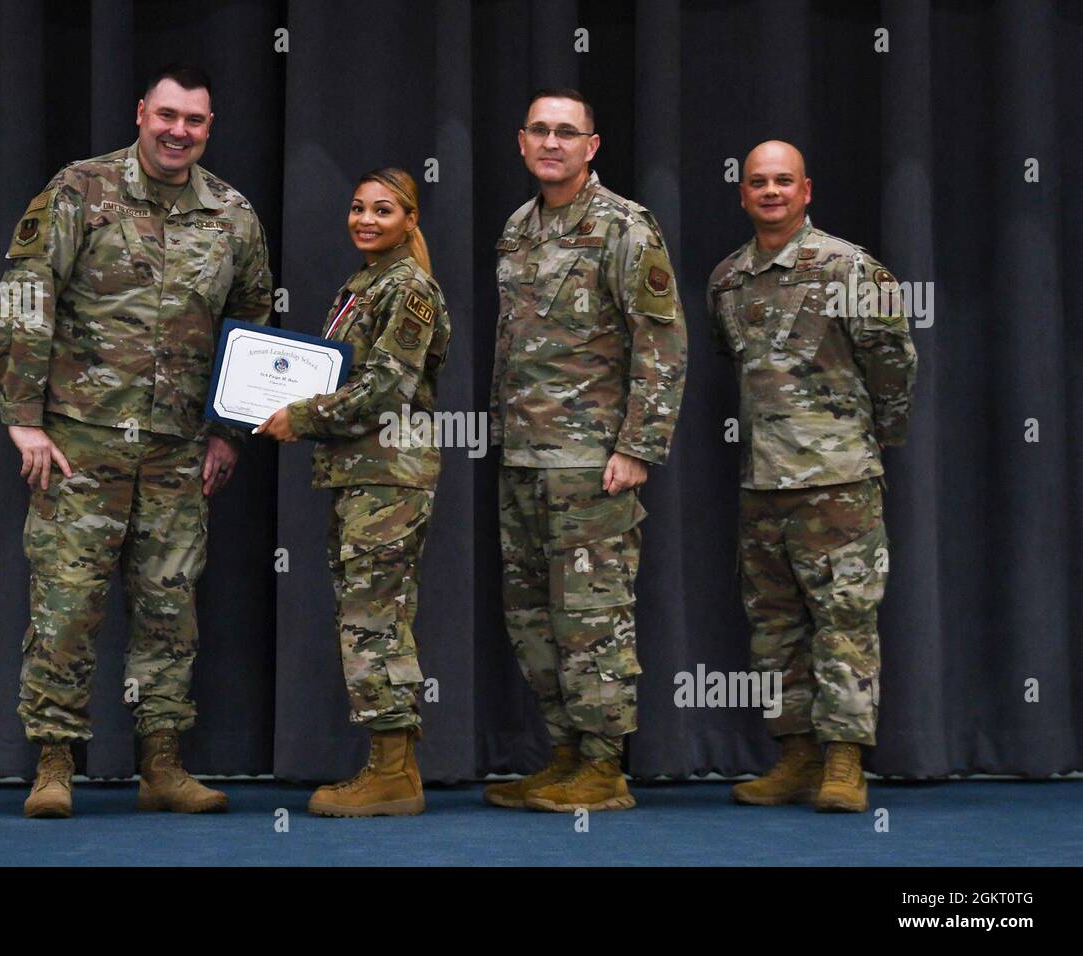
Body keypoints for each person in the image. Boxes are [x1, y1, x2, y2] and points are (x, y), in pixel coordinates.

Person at [0, 62, 273, 818]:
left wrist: (230, 431)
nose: (179, 131)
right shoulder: (83, 190)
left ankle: (163, 766)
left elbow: (251, 329)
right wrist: (23, 416)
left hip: (178, 448)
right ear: (141, 111)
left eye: (196, 121)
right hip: (82, 440)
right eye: (167, 115)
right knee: (66, 604)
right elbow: (25, 290)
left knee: (168, 608)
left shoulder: (233, 215)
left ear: (209, 129)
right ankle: (54, 763)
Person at [485, 89, 687, 812]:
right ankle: (564, 754)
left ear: (591, 146)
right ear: (521, 141)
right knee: (532, 616)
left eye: (567, 133)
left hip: (591, 462)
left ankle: (604, 768)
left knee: (592, 616)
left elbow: (662, 343)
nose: (552, 143)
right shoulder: (517, 229)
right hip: (523, 457)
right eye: (539, 130)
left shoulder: (624, 227)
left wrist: (638, 447)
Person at [708, 140, 917, 812]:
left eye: (783, 181)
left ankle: (846, 763)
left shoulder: (850, 267)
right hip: (762, 484)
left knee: (845, 621)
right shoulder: (727, 280)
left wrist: (864, 440)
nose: (770, 191)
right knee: (773, 627)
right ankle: (795, 757)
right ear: (742, 194)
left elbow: (894, 366)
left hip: (838, 480)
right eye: (758, 182)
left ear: (807, 190)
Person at [258, 168, 450, 817]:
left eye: (384, 210)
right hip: (360, 472)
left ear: (409, 219)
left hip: (388, 475)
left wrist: (302, 417)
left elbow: (387, 389)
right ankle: (392, 767)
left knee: (375, 617)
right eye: (358, 207)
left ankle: (392, 774)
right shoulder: (364, 284)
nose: (366, 219)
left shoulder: (409, 287)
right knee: (369, 613)